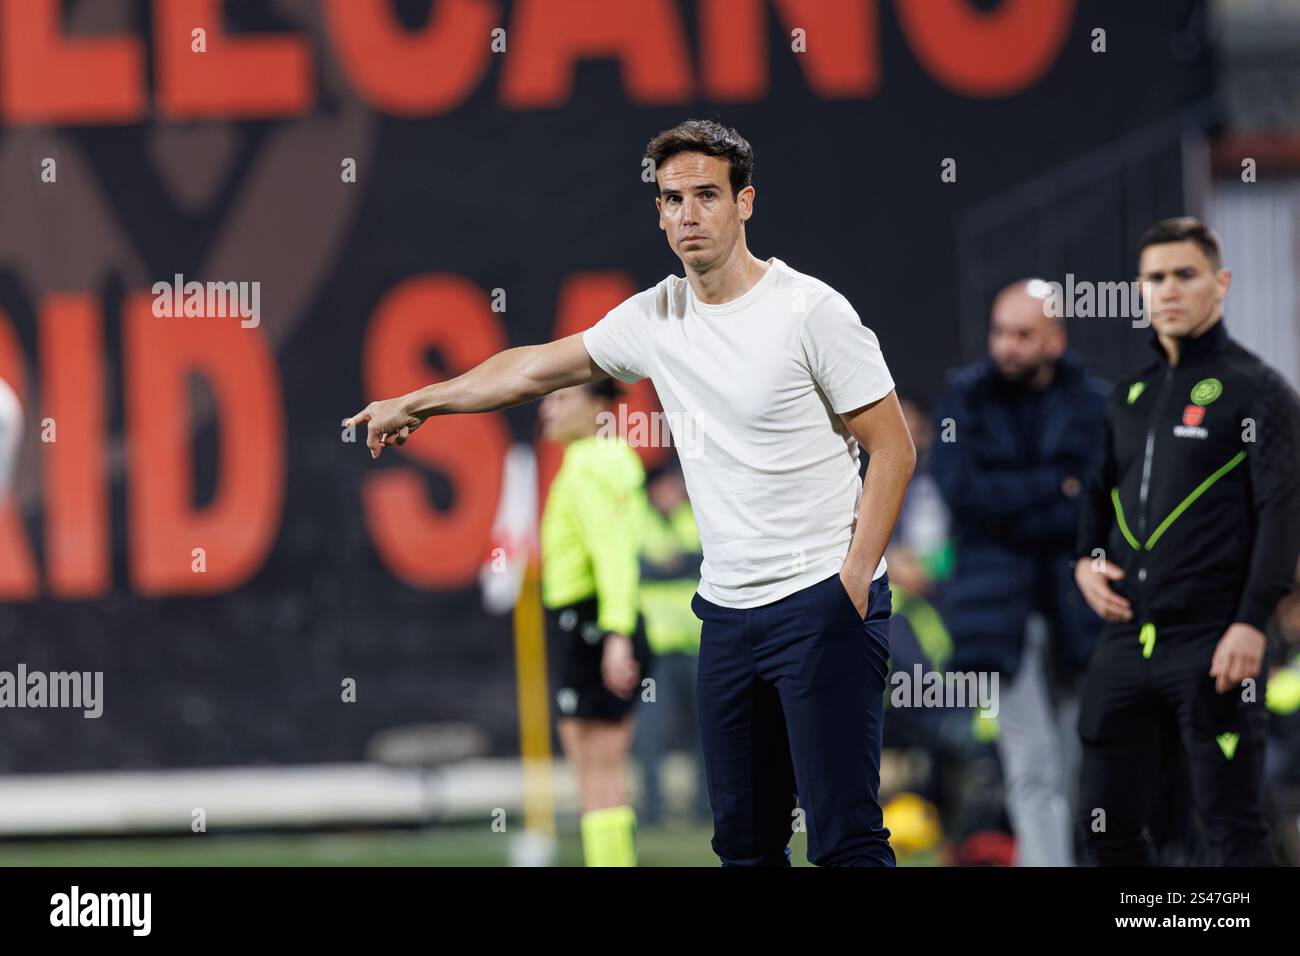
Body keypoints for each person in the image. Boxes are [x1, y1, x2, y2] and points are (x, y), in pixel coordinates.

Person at [344, 119, 915, 867]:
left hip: (820, 604)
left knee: (845, 840)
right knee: (743, 845)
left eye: (707, 195)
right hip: (728, 617)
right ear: (658, 212)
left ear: (746, 202)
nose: (688, 214)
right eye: (673, 199)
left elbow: (893, 447)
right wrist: (419, 400)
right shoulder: (658, 316)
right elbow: (531, 370)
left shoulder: (810, 312)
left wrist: (853, 579)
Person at [1074, 217, 1300, 866]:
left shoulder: (1258, 391)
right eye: (1154, 278)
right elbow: (1094, 494)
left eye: (1185, 275)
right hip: (1124, 642)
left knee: (1231, 830)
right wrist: (1085, 563)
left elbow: (1283, 515)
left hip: (1213, 639)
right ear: (1139, 290)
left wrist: (1252, 623)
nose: (1168, 290)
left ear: (1220, 283)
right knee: (1106, 828)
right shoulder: (1130, 395)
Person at [931, 279, 1108, 866]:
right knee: (1033, 770)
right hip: (996, 616)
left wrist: (1016, 504)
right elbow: (963, 496)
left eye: (1023, 334)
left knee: (1074, 766)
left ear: (1055, 340)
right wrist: (1053, 487)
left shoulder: (1093, 403)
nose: (1007, 345)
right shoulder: (964, 399)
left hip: (1077, 610)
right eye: (1000, 331)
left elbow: (1096, 502)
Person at [535, 379, 654, 865]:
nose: (548, 409)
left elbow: (613, 557)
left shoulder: (587, 466)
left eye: (563, 398)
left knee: (597, 774)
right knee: (602, 773)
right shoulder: (613, 461)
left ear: (600, 407)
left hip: (591, 624)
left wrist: (615, 637)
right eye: (548, 398)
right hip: (598, 622)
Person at [632, 463, 710, 825]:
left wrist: (666, 566)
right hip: (656, 650)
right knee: (650, 732)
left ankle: (707, 808)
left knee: (708, 730)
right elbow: (634, 568)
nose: (669, 494)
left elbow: (710, 559)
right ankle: (652, 810)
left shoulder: (693, 517)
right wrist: (679, 565)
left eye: (673, 487)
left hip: (695, 646)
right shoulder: (638, 521)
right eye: (662, 488)